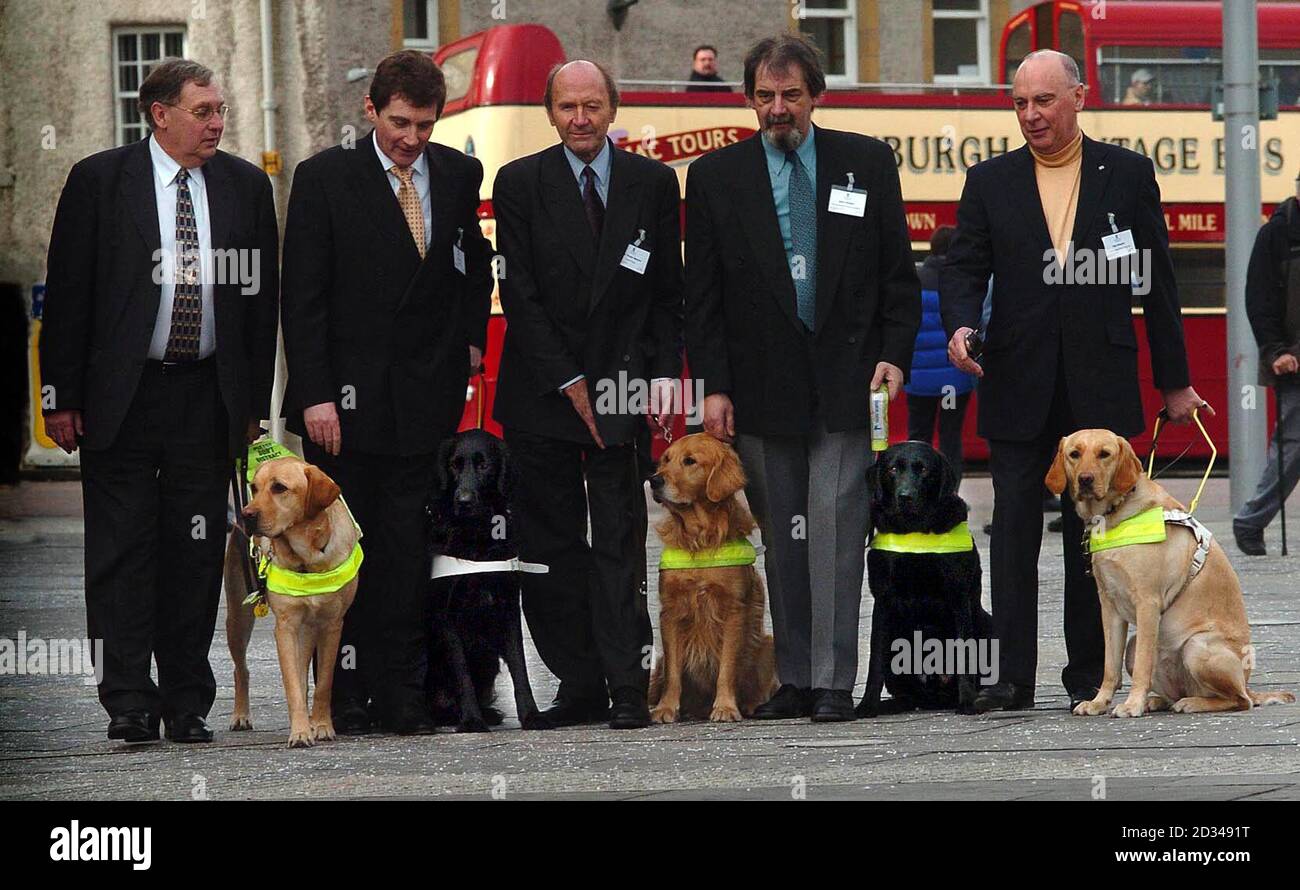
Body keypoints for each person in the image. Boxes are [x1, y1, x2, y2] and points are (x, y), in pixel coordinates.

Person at [942, 49, 1207, 713]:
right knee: (1012, 533)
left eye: (1045, 101)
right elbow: (963, 269)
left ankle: (1092, 674)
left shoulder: (1127, 174)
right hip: (1016, 379)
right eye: (1021, 103)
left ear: (1079, 98)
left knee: (1099, 537)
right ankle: (1009, 676)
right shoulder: (989, 181)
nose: (1031, 115)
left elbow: (1159, 286)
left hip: (1100, 385)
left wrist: (1174, 382)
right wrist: (960, 325)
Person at [40, 59, 279, 744]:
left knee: (195, 551)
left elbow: (259, 309)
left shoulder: (243, 186)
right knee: (122, 550)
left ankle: (186, 698)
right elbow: (69, 297)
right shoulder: (99, 182)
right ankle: (128, 700)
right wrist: (60, 397)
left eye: (220, 110)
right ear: (159, 113)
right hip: (123, 395)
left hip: (206, 396)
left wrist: (251, 409)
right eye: (203, 111)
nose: (217, 123)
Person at [686, 35, 920, 722]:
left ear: (816, 95)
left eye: (790, 95)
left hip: (848, 381)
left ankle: (831, 681)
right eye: (764, 96)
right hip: (759, 388)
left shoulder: (866, 163)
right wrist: (715, 386)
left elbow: (897, 278)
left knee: (836, 530)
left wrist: (896, 355)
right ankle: (793, 675)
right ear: (750, 100)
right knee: (783, 536)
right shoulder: (715, 177)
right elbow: (702, 296)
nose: (777, 108)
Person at [280, 50, 493, 735]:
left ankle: (402, 693)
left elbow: (472, 266)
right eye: (400, 122)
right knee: (336, 555)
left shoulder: (459, 174)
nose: (411, 138)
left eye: (426, 125)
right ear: (370, 110)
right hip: (342, 406)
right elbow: (303, 298)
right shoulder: (324, 179)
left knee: (405, 551)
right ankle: (339, 697)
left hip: (424, 400)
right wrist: (314, 395)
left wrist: (468, 343)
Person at [492, 60, 684, 730]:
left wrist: (662, 373)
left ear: (612, 110)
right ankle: (577, 682)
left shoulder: (652, 183)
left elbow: (666, 290)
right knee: (551, 542)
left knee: (619, 543)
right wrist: (567, 379)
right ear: (551, 112)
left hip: (624, 387)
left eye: (593, 106)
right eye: (568, 106)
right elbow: (519, 293)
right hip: (543, 390)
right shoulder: (519, 183)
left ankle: (626, 680)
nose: (581, 118)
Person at [1234, 172, 1300, 556]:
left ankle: (1251, 519)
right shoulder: (1277, 235)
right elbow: (1258, 299)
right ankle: (1251, 520)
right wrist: (1275, 351)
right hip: (1292, 360)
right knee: (1291, 448)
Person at [906, 225, 975, 484]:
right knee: (950, 438)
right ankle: (949, 494)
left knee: (918, 437)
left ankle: (916, 492)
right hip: (954, 379)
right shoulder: (961, 284)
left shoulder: (915, 280)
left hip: (919, 379)